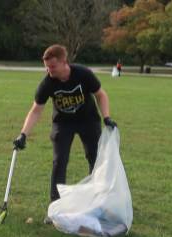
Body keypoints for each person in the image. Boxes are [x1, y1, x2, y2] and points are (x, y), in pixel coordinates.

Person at [12, 45, 117, 224]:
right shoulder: (47, 82)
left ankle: (97, 205)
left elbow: (101, 95)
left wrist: (106, 117)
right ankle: (56, 208)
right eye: (46, 67)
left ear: (64, 63)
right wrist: (23, 134)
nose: (49, 70)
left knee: (94, 159)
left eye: (52, 67)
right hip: (63, 123)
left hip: (88, 120)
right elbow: (36, 110)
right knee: (59, 161)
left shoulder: (83, 74)